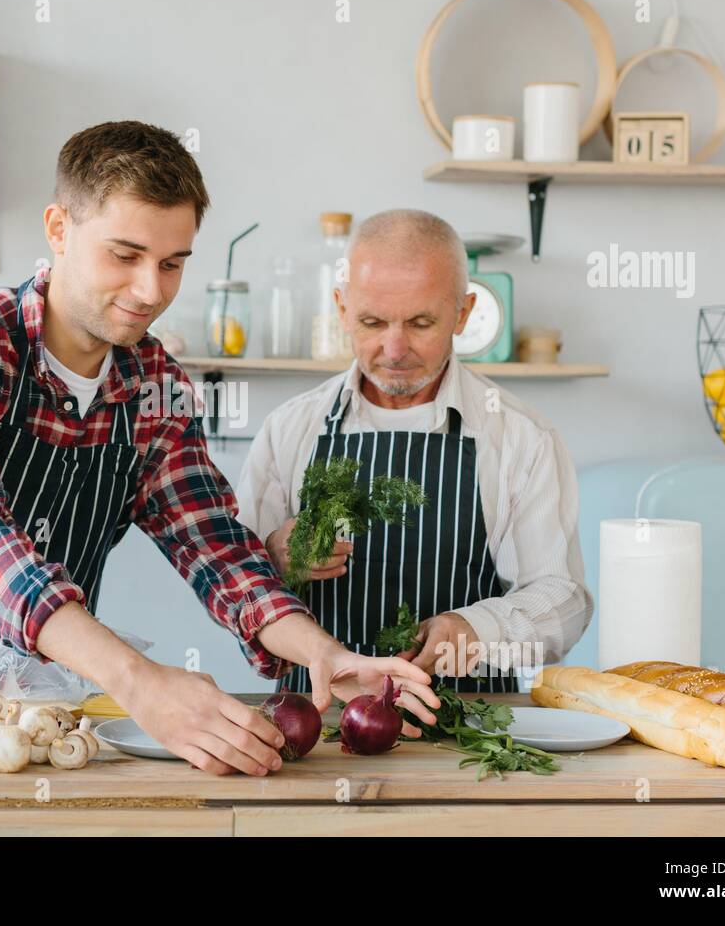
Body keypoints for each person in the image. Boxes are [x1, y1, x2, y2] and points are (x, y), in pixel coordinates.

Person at [0, 123, 440, 775]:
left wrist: (320, 652)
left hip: (23, 731)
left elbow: (214, 545)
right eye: (125, 255)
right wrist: (139, 683)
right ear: (59, 229)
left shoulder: (153, 385)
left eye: (172, 264)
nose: (150, 291)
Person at [237, 210, 593, 694]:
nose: (395, 347)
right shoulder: (287, 430)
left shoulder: (521, 437)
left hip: (471, 740)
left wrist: (478, 631)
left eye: (421, 322)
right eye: (372, 321)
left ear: (462, 313)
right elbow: (233, 586)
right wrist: (274, 557)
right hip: (317, 731)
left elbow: (562, 599)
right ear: (341, 309)